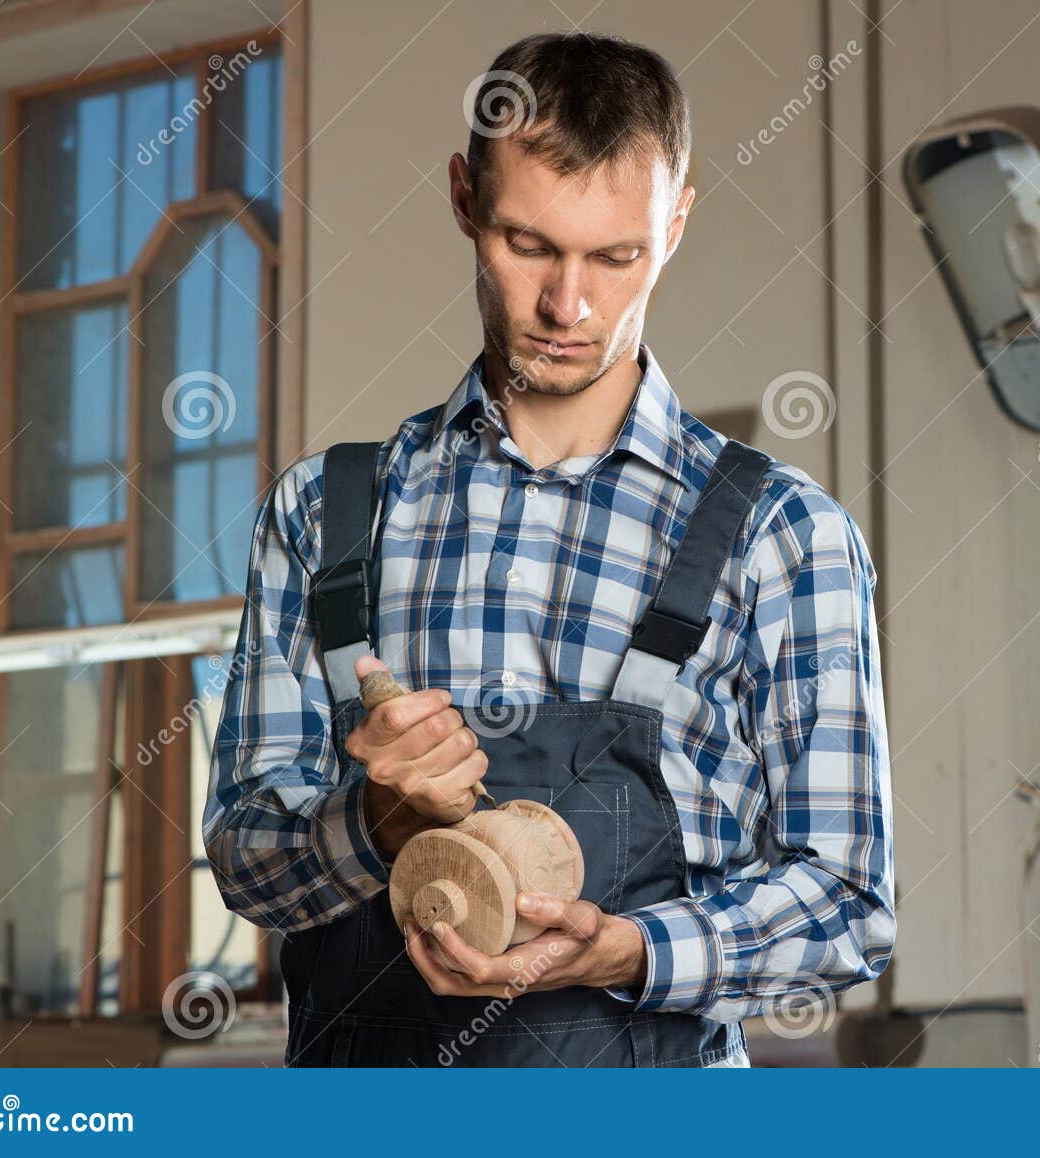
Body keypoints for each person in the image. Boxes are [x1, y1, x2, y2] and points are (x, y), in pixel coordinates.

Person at [205, 30, 894, 1068]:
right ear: (463, 198)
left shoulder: (782, 538)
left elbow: (848, 903)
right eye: (528, 245)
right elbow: (245, 864)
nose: (567, 305)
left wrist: (628, 952)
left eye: (615, 257)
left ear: (675, 225)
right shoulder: (325, 515)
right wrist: (375, 821)